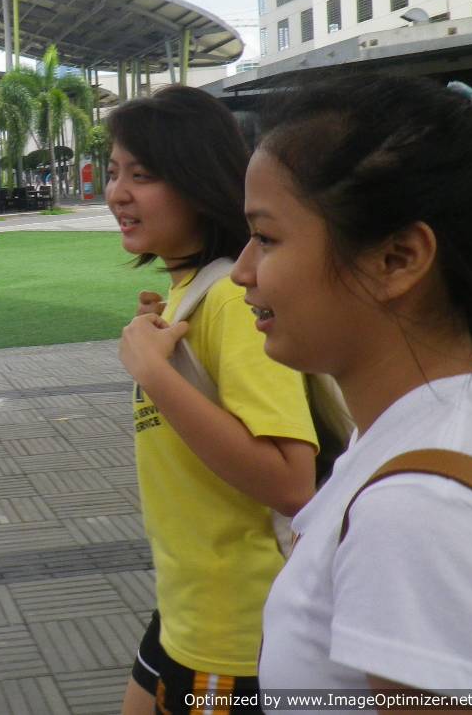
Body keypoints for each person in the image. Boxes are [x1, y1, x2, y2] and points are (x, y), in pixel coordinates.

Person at [234, 76, 472, 707]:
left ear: (397, 259)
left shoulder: (416, 509)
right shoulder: (413, 431)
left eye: (266, 238)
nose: (242, 270)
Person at [106, 86, 318, 715]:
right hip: (184, 607)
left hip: (234, 634)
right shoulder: (190, 296)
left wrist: (157, 375)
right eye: (115, 171)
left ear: (198, 182)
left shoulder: (231, 299)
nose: (118, 192)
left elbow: (291, 481)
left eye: (142, 175)